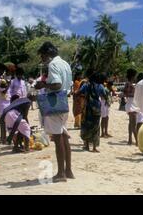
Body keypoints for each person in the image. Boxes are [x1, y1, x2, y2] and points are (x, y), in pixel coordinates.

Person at [35, 42, 74, 182]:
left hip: (54, 103)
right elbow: (67, 84)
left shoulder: (52, 65)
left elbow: (56, 84)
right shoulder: (65, 63)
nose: (42, 57)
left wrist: (43, 85)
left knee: (58, 139)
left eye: (42, 54)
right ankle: (68, 170)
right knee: (63, 137)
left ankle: (61, 174)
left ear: (47, 53)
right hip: (64, 102)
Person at [79, 72, 105, 152]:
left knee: (86, 126)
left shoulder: (86, 85)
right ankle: (94, 147)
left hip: (87, 108)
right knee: (96, 127)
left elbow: (80, 91)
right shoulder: (100, 86)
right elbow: (104, 95)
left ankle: (86, 145)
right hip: (96, 108)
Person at [124, 68, 138, 145]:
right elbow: (125, 94)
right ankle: (137, 141)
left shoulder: (129, 83)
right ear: (132, 76)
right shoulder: (129, 84)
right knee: (133, 124)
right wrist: (135, 94)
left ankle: (130, 139)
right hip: (132, 104)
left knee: (131, 123)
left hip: (132, 104)